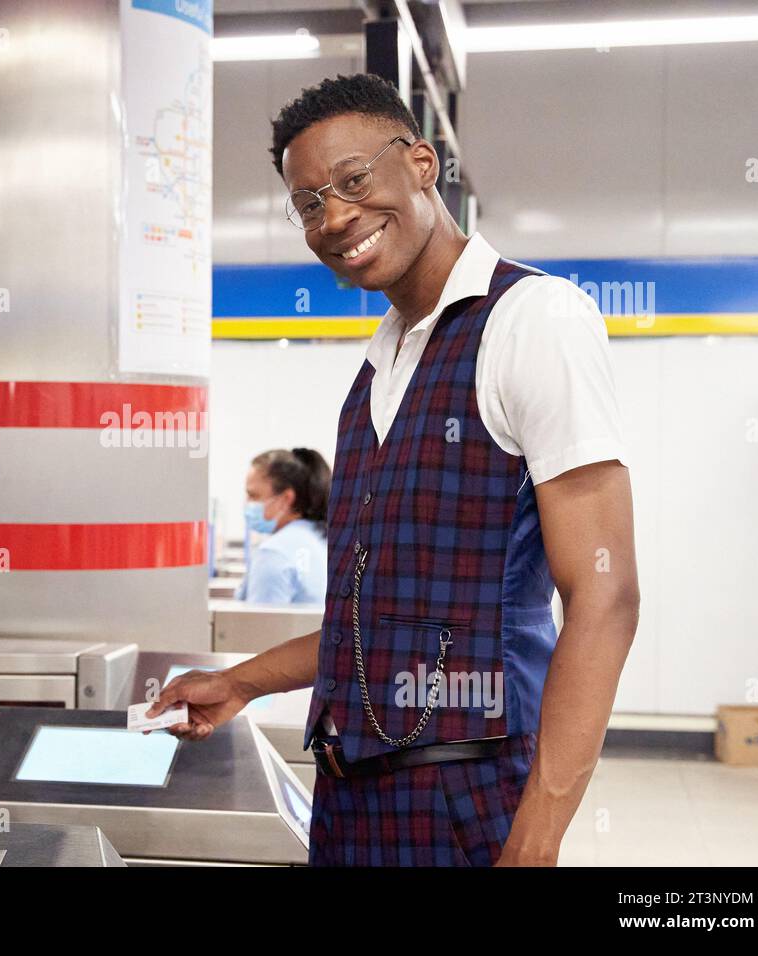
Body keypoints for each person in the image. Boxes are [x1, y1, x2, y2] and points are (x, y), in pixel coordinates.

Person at [148, 73, 639, 867]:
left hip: (464, 797)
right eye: (308, 203)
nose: (334, 216)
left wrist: (538, 836)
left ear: (421, 163)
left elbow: (607, 596)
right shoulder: (378, 369)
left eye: (352, 181)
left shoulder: (531, 320)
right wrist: (243, 682)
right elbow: (377, 616)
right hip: (350, 802)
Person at [236, 448, 329, 605]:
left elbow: (260, 626)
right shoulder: (320, 538)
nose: (247, 504)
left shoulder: (274, 553)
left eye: (253, 495)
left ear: (286, 499)